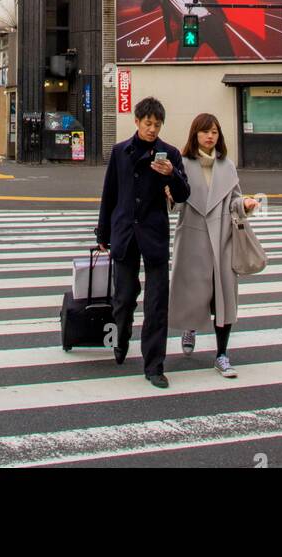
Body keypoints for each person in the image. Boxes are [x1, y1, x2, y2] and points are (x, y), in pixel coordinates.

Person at [96, 96, 190, 389]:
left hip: (153, 233)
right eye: (147, 124)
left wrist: (171, 175)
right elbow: (109, 194)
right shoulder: (120, 151)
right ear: (136, 122)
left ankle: (154, 365)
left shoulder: (169, 154)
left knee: (157, 303)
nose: (152, 129)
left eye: (157, 125)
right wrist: (103, 233)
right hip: (124, 231)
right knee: (123, 297)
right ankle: (120, 337)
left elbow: (184, 193)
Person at [169, 114, 259, 378]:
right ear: (194, 134)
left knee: (224, 298)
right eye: (205, 132)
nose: (210, 136)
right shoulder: (182, 164)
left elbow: (234, 199)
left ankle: (221, 354)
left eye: (215, 132)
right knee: (193, 291)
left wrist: (245, 205)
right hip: (193, 237)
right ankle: (190, 326)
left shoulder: (227, 166)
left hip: (222, 239)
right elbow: (174, 202)